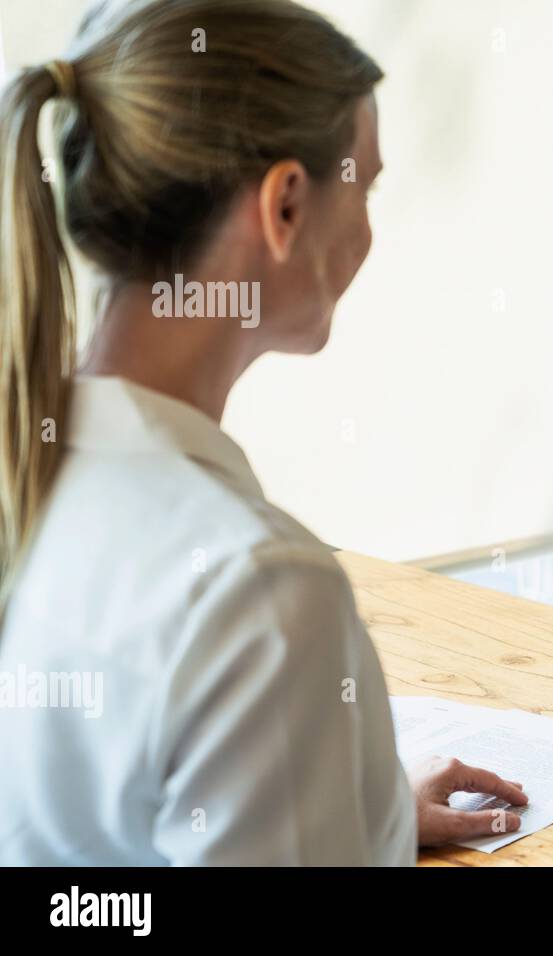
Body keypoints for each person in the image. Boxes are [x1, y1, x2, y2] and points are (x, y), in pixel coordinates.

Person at [0, 0, 524, 864]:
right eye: (368, 186)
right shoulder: (260, 591)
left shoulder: (35, 472)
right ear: (284, 207)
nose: (368, 229)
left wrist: (364, 810)